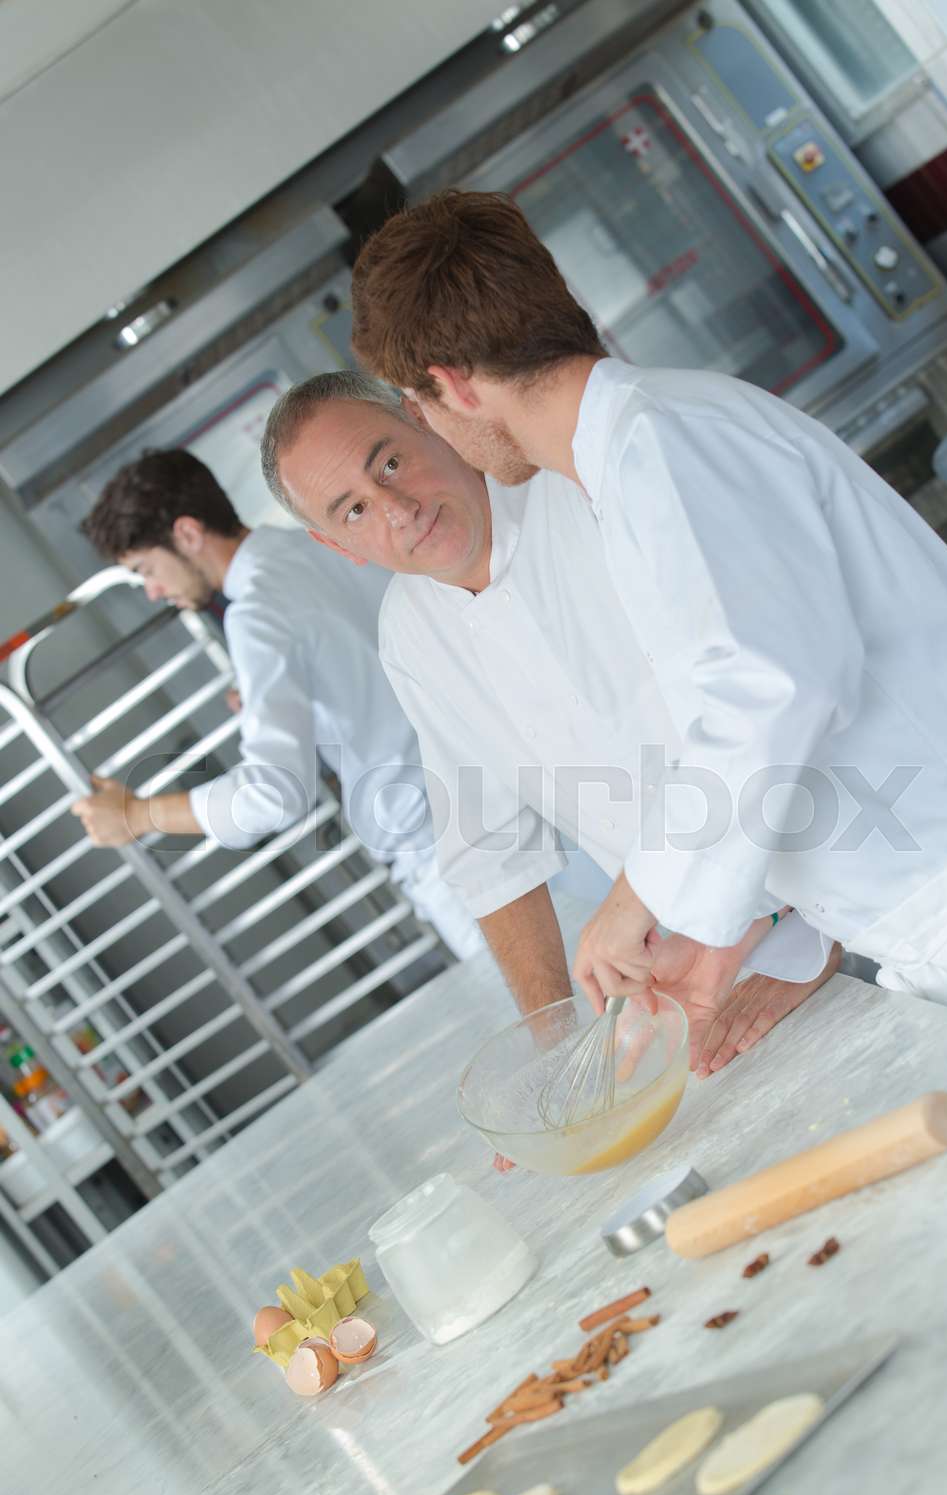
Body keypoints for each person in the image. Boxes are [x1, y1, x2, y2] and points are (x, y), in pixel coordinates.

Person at [348, 189, 947, 1041]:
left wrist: (640, 894)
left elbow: (768, 688)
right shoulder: (634, 452)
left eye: (414, 408)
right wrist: (716, 926)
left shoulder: (661, 446)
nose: (427, 427)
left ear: (450, 385)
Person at [259, 372, 839, 1083]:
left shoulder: (576, 488)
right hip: (723, 964)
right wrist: (562, 1058)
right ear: (339, 548)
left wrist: (813, 931)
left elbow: (773, 690)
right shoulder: (411, 635)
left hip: (855, 880)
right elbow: (491, 850)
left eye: (388, 462)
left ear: (423, 420)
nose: (396, 509)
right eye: (353, 510)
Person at [71, 447, 482, 960]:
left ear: (188, 535)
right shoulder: (321, 544)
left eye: (146, 568)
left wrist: (137, 815)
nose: (152, 590)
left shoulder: (256, 615)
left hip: (449, 856)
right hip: (504, 794)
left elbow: (273, 794)